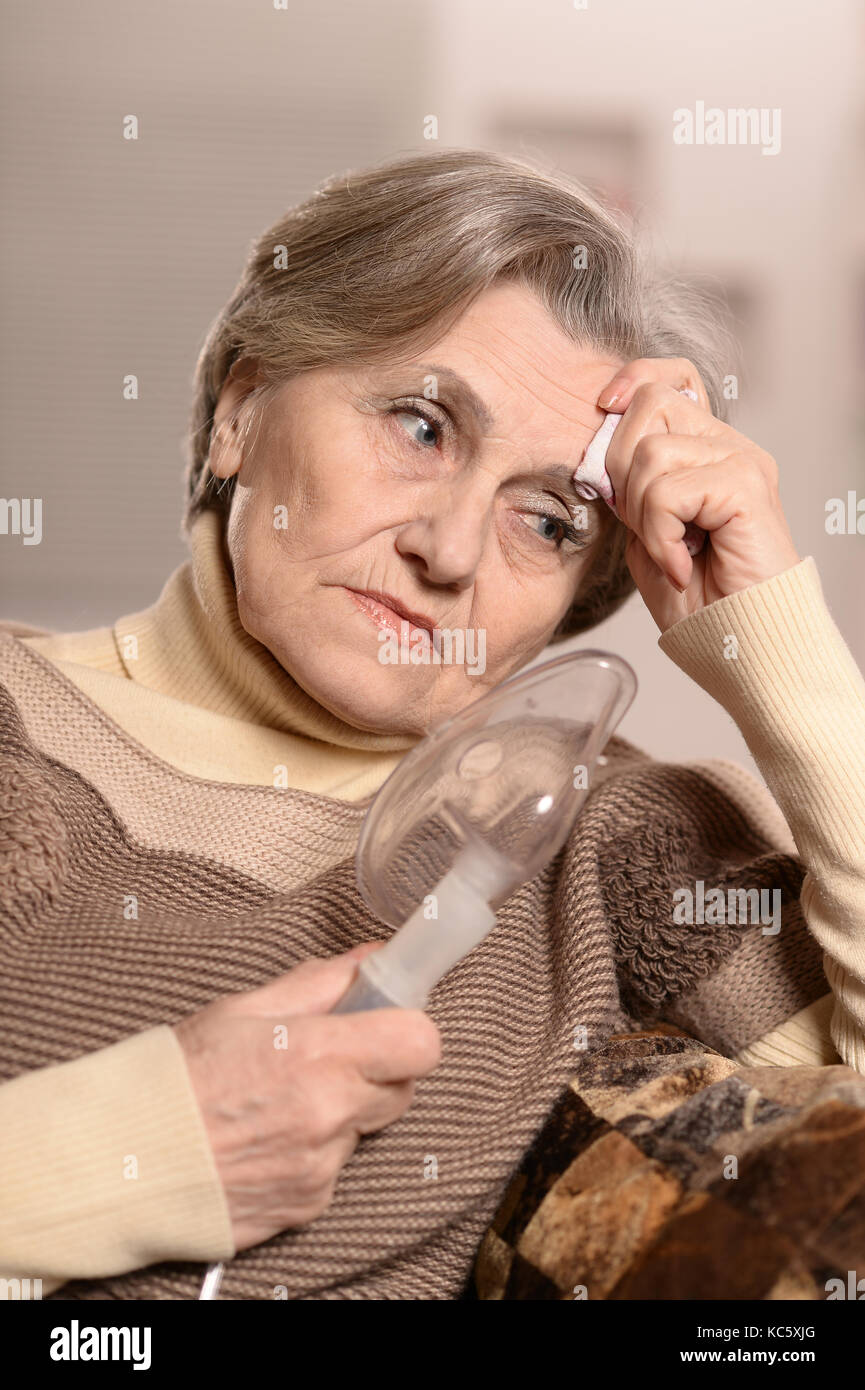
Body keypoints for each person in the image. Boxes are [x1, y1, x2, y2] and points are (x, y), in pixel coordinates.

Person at [1, 148, 863, 1300]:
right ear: (242, 412)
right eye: (420, 424)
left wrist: (779, 653)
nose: (448, 553)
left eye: (548, 521)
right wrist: (134, 1142)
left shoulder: (610, 846)